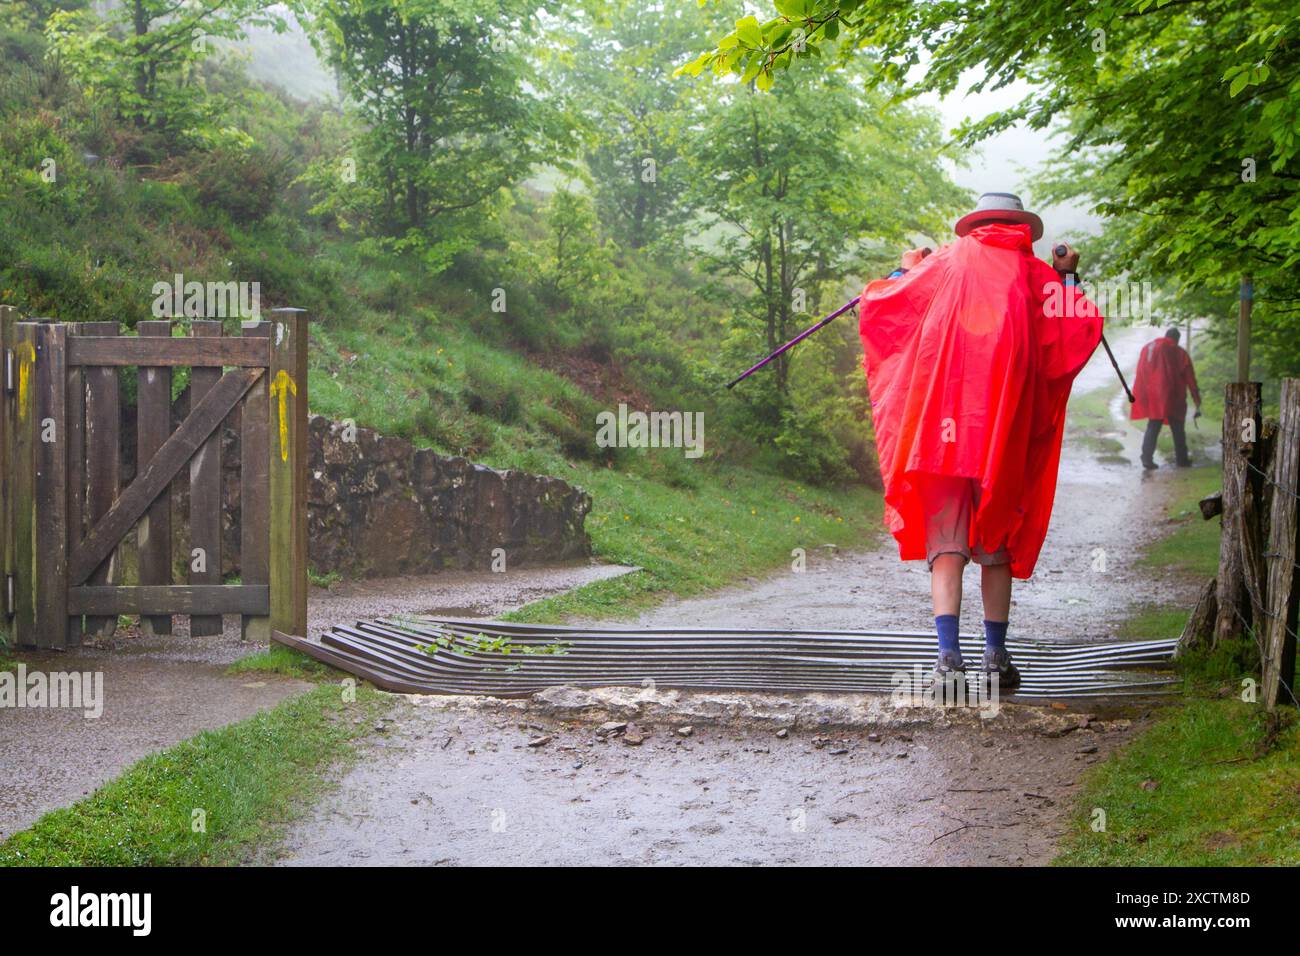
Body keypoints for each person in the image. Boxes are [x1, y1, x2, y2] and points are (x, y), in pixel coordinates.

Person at [857, 193, 1104, 690]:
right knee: (996, 539)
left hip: (941, 434)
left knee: (947, 544)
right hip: (1003, 435)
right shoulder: (1035, 275)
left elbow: (887, 308)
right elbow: (1073, 331)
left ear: (974, 226)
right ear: (1022, 230)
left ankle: (948, 656)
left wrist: (906, 270)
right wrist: (1069, 277)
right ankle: (996, 655)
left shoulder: (945, 264)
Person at [1131, 328, 1201, 469]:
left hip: (1153, 395)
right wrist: (1196, 399)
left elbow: (1140, 372)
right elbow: (1190, 377)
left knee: (1153, 425)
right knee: (1178, 428)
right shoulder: (1179, 352)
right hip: (1173, 396)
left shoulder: (1148, 348)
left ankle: (1146, 458)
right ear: (1177, 339)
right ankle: (1182, 460)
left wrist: (1143, 394)